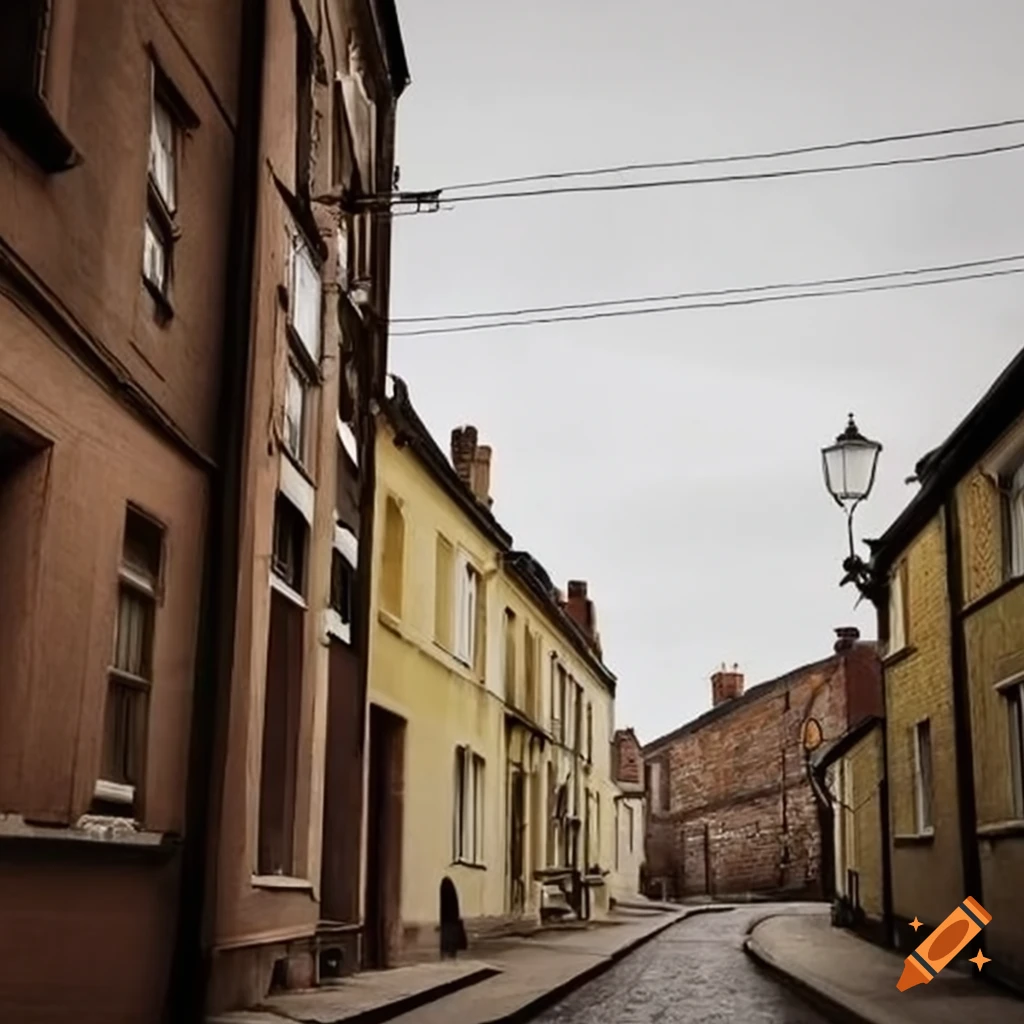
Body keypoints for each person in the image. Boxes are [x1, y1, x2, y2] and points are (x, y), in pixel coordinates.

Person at [439, 876, 467, 959]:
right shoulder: (452, 896)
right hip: (451, 924)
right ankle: (450, 954)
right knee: (451, 950)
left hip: (447, 924)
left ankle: (447, 954)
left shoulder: (445, 893)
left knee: (447, 948)